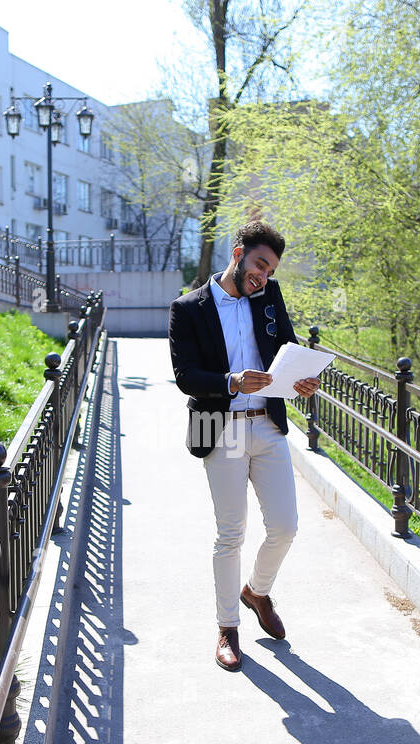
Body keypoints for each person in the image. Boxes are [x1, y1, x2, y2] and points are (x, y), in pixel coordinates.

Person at [168, 221, 320, 672]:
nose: (263, 276)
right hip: (221, 426)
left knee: (286, 526)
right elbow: (186, 377)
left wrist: (302, 380)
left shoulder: (268, 297)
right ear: (238, 253)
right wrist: (231, 381)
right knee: (230, 533)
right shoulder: (188, 308)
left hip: (268, 424)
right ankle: (227, 628)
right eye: (259, 264)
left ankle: (256, 591)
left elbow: (287, 348)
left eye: (270, 270)